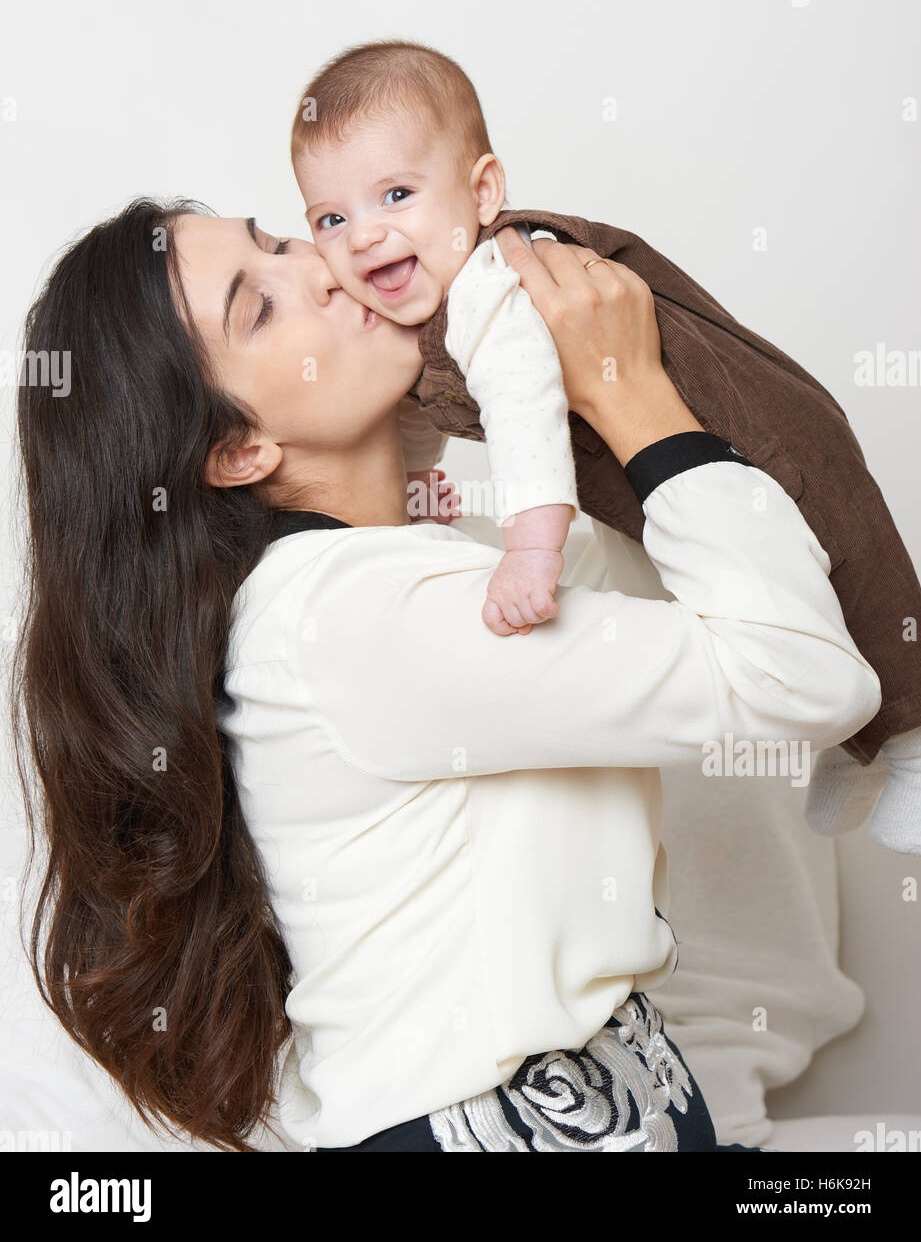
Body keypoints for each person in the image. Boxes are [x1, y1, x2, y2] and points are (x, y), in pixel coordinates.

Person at [11, 198, 879, 1152]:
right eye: (256, 307)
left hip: (634, 1105)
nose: (320, 267)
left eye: (276, 240)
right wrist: (628, 391)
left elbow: (701, 591)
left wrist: (517, 380)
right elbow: (800, 676)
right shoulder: (350, 618)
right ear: (237, 448)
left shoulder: (440, 565)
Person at [289, 40, 921, 854]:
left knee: (847, 553)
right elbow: (415, 408)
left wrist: (529, 551)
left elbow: (520, 416)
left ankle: (910, 744)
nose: (365, 237)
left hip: (749, 427)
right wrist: (413, 482)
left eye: (397, 196)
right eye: (331, 220)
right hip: (663, 469)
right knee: (779, 583)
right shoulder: (410, 316)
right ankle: (856, 750)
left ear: (482, 191)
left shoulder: (490, 283)